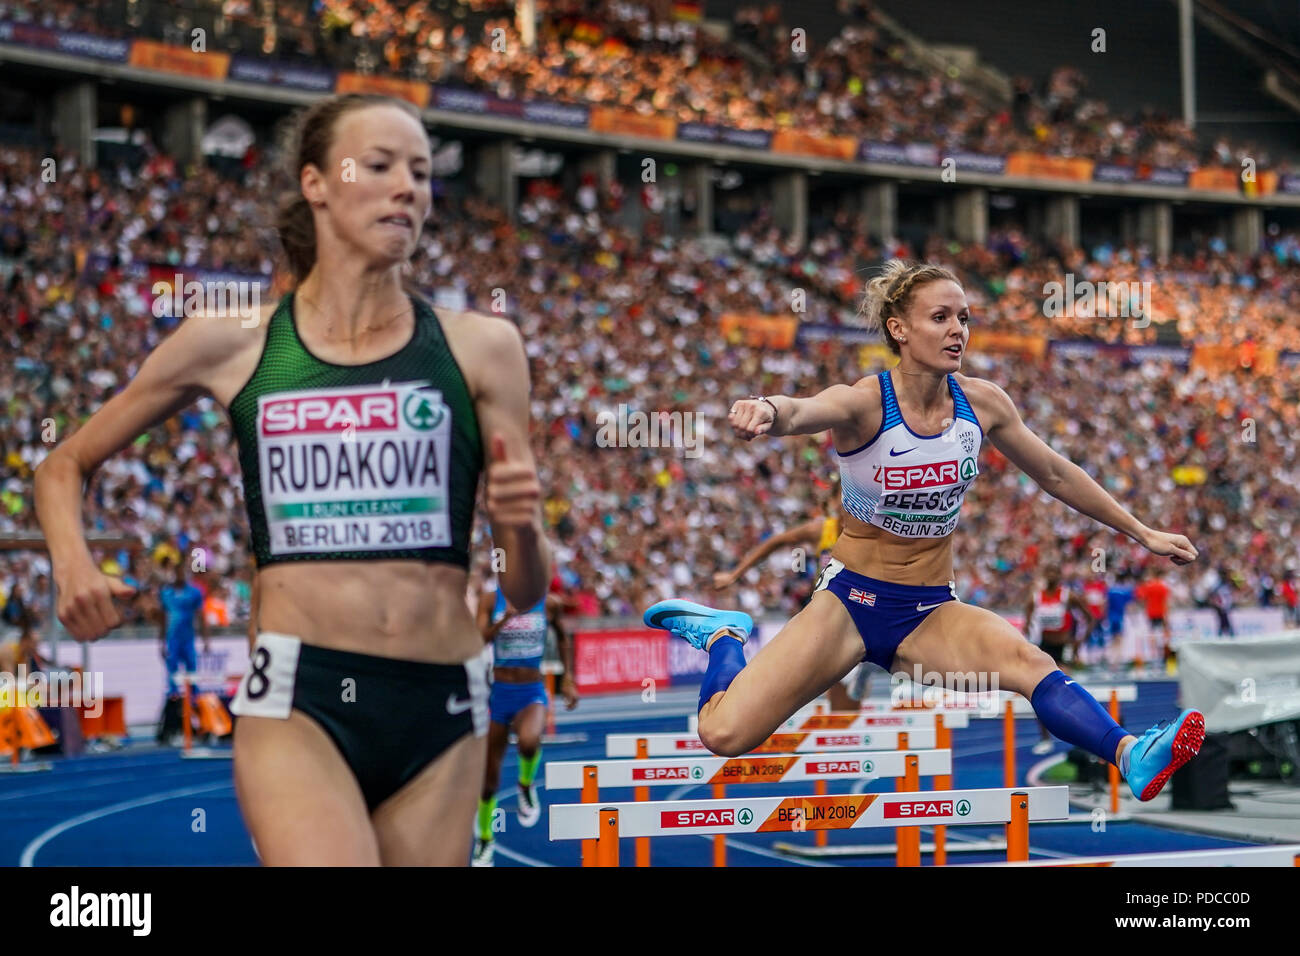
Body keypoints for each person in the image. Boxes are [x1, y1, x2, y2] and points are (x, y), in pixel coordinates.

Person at [33, 93, 550, 865]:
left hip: (442, 703)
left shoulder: (484, 347)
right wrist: (73, 563)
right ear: (317, 182)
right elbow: (62, 463)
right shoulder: (231, 343)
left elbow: (526, 589)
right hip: (299, 700)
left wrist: (518, 526)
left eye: (420, 170)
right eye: (379, 166)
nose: (408, 186)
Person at [644, 259, 1204, 803]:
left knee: (1033, 665)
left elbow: (1057, 473)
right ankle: (723, 637)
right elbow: (800, 410)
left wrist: (1142, 533)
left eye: (964, 318)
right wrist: (766, 407)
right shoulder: (866, 402)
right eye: (940, 318)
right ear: (899, 329)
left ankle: (1131, 754)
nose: (957, 330)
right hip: (851, 604)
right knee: (723, 735)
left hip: (931, 609)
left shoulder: (982, 404)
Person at [712, 476, 869, 710]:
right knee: (839, 696)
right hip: (828, 610)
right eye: (842, 499)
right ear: (833, 502)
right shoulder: (821, 530)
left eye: (853, 500)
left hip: (862, 609)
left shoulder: (871, 532)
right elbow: (776, 542)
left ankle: (863, 670)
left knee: (849, 697)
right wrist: (735, 574)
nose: (846, 506)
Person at [472, 584, 575, 866]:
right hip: (497, 692)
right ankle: (485, 840)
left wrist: (568, 679)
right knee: (488, 780)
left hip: (531, 691)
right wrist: (504, 618)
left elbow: (563, 637)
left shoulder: (547, 602)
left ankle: (525, 784)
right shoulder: (491, 599)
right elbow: (478, 640)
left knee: (530, 741)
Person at [1023, 566, 1093, 755]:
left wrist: (1079, 643)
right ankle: (1045, 738)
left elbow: (1090, 618)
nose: (1052, 575)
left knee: (1067, 693)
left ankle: (1080, 737)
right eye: (1049, 572)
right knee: (1039, 693)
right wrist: (1029, 636)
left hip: (1064, 648)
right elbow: (1027, 621)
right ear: (1045, 575)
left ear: (1060, 576)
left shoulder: (1067, 596)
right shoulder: (1036, 597)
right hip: (1045, 647)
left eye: (1055, 572)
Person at [156, 557, 211, 745]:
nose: (178, 575)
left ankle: (196, 723)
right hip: (172, 641)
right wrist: (161, 642)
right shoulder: (166, 593)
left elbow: (201, 616)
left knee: (192, 681)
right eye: (176, 572)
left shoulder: (194, 593)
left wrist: (206, 639)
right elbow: (163, 619)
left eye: (181, 572)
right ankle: (174, 726)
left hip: (188, 640)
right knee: (172, 683)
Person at [1133, 570, 1172, 668]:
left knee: (1153, 634)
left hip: (1151, 613)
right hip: (1161, 613)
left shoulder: (1148, 586)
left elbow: (1139, 596)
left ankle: (1155, 656)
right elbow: (1166, 601)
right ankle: (1163, 655)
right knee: (1164, 634)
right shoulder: (1163, 586)